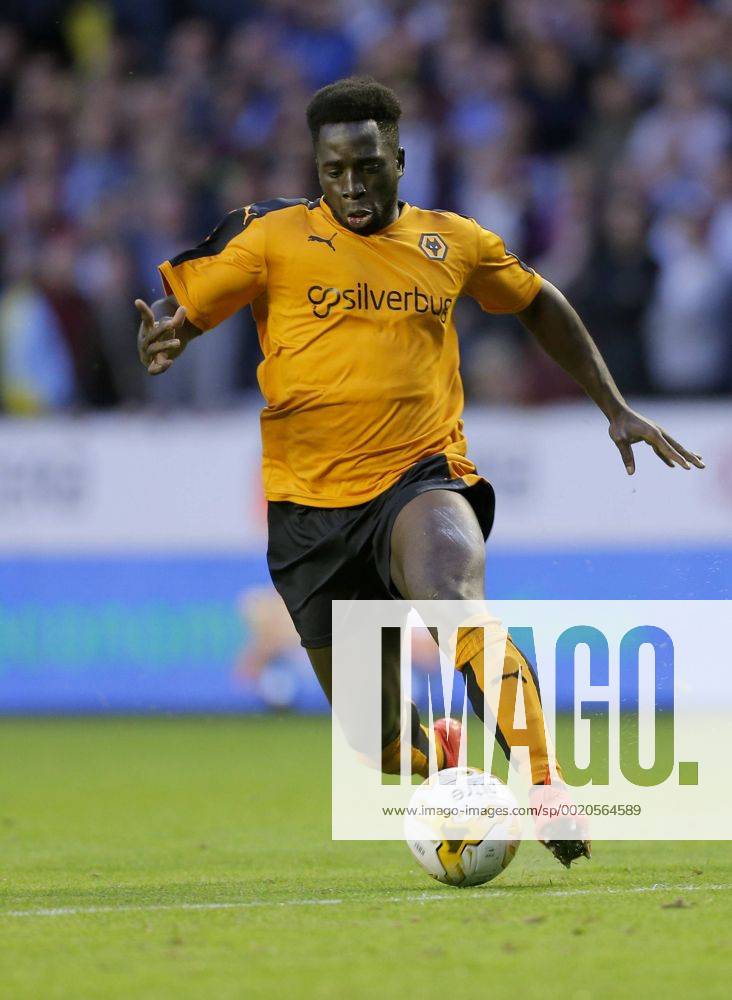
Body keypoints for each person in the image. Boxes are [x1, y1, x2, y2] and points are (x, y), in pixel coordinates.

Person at [135, 77, 703, 867]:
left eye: (368, 167)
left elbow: (539, 301)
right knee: (381, 745)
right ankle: (442, 761)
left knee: (457, 601)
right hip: (309, 512)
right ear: (317, 169)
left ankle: (545, 783)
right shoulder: (271, 240)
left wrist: (613, 406)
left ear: (399, 160)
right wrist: (173, 336)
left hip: (420, 476)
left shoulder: (454, 241)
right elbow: (189, 309)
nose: (352, 186)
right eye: (334, 171)